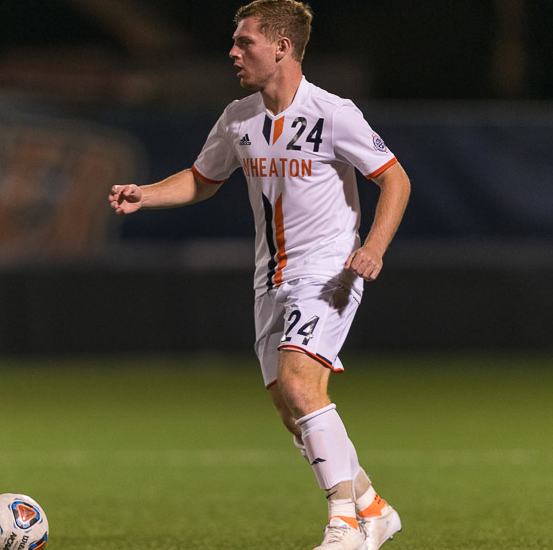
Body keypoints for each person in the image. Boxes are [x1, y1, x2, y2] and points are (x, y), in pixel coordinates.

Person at [108, 1, 410, 549]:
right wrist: (145, 195)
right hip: (270, 278)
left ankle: (344, 523)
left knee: (300, 384)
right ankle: (373, 505)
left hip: (328, 272)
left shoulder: (333, 112)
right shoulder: (239, 117)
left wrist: (374, 248)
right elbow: (203, 178)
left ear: (282, 48)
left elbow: (395, 180)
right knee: (289, 408)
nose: (233, 51)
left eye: (245, 42)